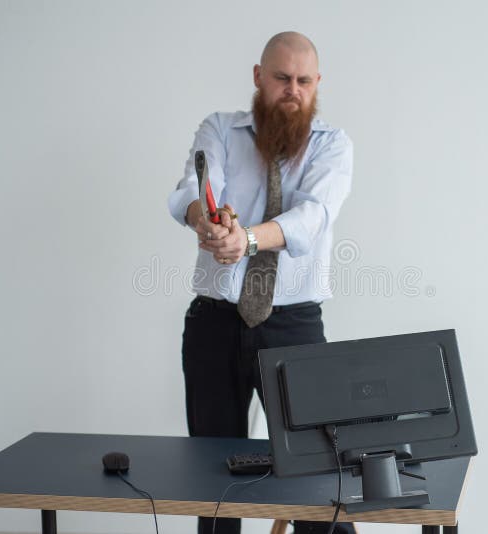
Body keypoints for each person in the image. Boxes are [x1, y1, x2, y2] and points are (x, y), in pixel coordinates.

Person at [167, 31, 354, 534]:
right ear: (258, 77)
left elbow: (311, 218)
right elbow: (193, 189)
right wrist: (206, 221)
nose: (292, 90)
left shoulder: (332, 145)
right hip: (213, 326)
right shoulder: (221, 130)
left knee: (319, 486)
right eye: (281, 78)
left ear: (317, 85)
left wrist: (246, 239)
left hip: (293, 327)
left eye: (303, 81)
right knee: (214, 488)